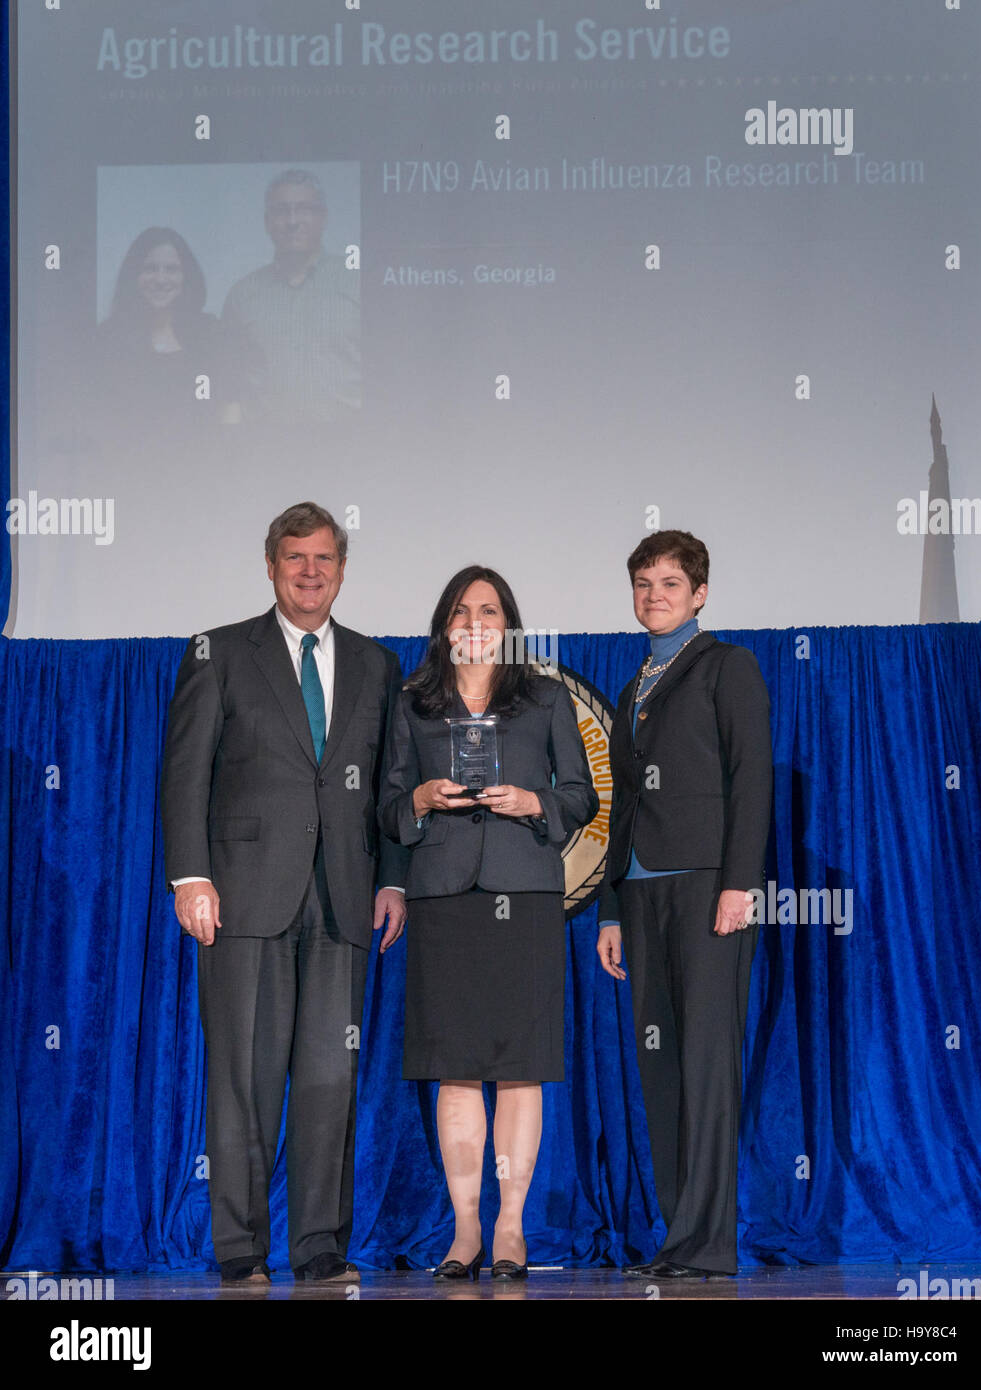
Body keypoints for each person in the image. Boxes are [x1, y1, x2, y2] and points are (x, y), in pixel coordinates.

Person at [160, 501, 407, 1285]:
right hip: (241, 898)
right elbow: (185, 772)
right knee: (243, 1078)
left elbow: (389, 782)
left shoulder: (376, 664)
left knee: (330, 1080)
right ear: (271, 566)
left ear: (341, 570)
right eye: (295, 558)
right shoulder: (219, 652)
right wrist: (190, 875)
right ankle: (239, 1250)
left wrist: (393, 876)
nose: (309, 572)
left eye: (323, 560)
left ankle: (319, 1247)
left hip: (342, 898)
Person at [379, 567, 599, 1280]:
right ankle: (465, 1230)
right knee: (455, 1073)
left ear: (508, 624)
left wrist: (533, 804)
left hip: (524, 897)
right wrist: (418, 795)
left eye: (490, 609)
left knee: (519, 1070)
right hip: (443, 898)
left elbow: (582, 796)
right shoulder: (412, 703)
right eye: (462, 610)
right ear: (443, 623)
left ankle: (510, 1229)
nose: (475, 621)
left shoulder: (543, 699)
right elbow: (384, 806)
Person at [596, 529, 772, 1280]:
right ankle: (680, 1239)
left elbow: (752, 776)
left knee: (703, 1066)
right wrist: (608, 907)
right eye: (642, 584)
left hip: (707, 888)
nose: (653, 596)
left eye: (669, 583)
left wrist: (739, 884)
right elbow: (620, 803)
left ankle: (707, 1242)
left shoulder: (725, 667)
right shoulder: (632, 685)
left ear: (698, 594)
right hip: (639, 892)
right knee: (659, 1068)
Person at [221, 169, 361, 422]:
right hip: (265, 452)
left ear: (323, 217)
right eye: (281, 211)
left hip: (347, 452)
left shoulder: (359, 283)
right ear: (267, 222)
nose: (293, 220)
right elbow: (229, 391)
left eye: (304, 209)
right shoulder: (242, 296)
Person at [95, 226, 253, 432]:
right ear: (133, 275)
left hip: (203, 460)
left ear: (186, 276)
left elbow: (230, 406)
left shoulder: (212, 334)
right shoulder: (107, 339)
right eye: (150, 269)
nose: (161, 279)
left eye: (171, 269)